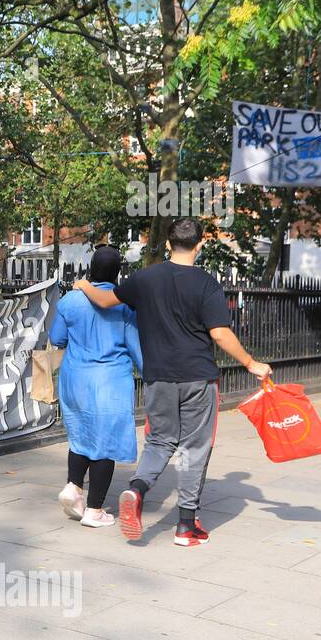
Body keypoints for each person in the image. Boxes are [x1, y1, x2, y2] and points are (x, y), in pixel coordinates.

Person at [75, 217, 272, 547]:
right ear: (200, 245)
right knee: (196, 448)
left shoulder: (145, 279)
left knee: (159, 441)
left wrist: (84, 286)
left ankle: (136, 490)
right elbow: (220, 333)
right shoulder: (206, 283)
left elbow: (108, 301)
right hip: (198, 378)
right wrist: (251, 363)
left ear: (168, 244)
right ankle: (186, 527)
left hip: (158, 377)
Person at [49, 246, 142, 528]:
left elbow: (57, 338)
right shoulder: (122, 304)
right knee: (106, 444)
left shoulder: (69, 301)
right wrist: (152, 374)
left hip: (75, 379)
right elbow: (135, 346)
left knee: (80, 436)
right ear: (117, 273)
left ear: (90, 269)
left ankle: (74, 487)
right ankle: (94, 510)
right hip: (110, 380)